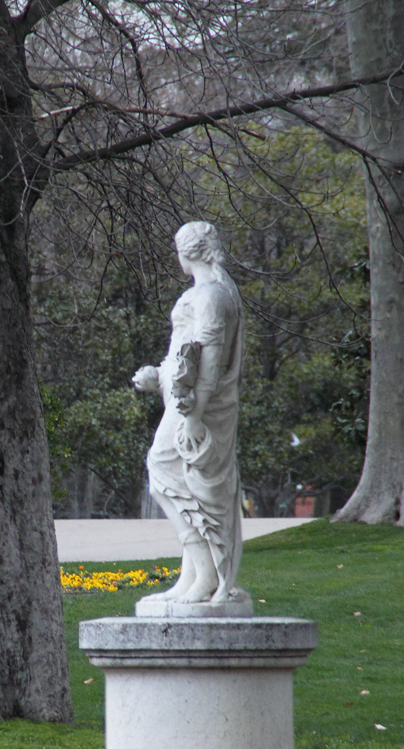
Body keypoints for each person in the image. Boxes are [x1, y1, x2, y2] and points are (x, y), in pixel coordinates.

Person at [132, 222, 246, 605]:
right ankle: (194, 575)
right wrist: (159, 377)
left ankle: (208, 574)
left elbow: (211, 364)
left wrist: (194, 415)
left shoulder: (212, 296)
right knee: (182, 482)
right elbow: (186, 357)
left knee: (166, 473)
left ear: (188, 252)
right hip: (189, 404)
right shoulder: (213, 292)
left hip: (197, 410)